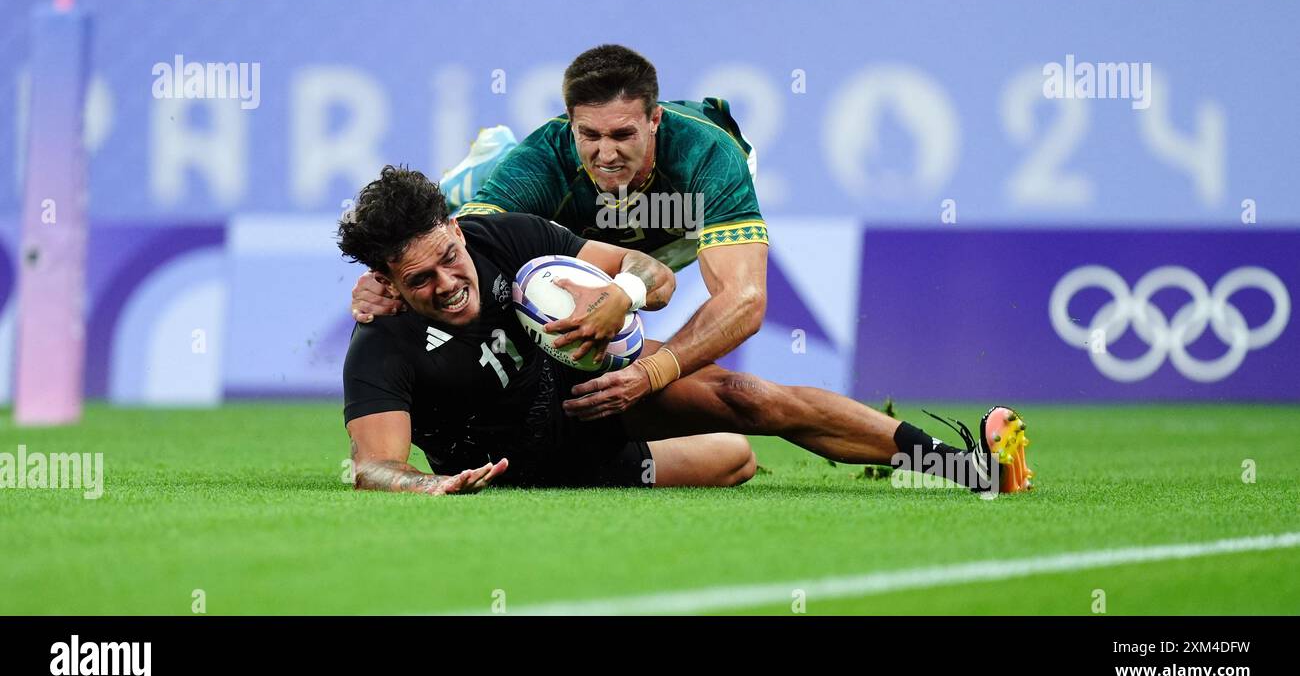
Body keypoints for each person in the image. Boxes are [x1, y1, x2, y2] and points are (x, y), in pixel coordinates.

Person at [337, 166, 1033, 495]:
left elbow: (652, 273)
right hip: (544, 469)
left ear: (456, 229)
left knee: (748, 396)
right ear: (387, 281)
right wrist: (430, 486)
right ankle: (863, 449)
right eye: (419, 280)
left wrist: (623, 293)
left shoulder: (501, 237)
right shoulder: (382, 340)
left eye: (448, 258)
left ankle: (966, 468)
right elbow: (372, 465)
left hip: (597, 396)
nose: (446, 283)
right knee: (734, 458)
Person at [353, 44, 769, 418]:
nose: (606, 153)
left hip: (677, 231)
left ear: (655, 120)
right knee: (491, 233)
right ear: (570, 123)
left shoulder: (708, 153)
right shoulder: (540, 162)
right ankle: (471, 182)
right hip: (577, 231)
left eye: (623, 134)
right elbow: (467, 249)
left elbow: (744, 301)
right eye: (589, 134)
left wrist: (652, 372)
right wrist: (380, 282)